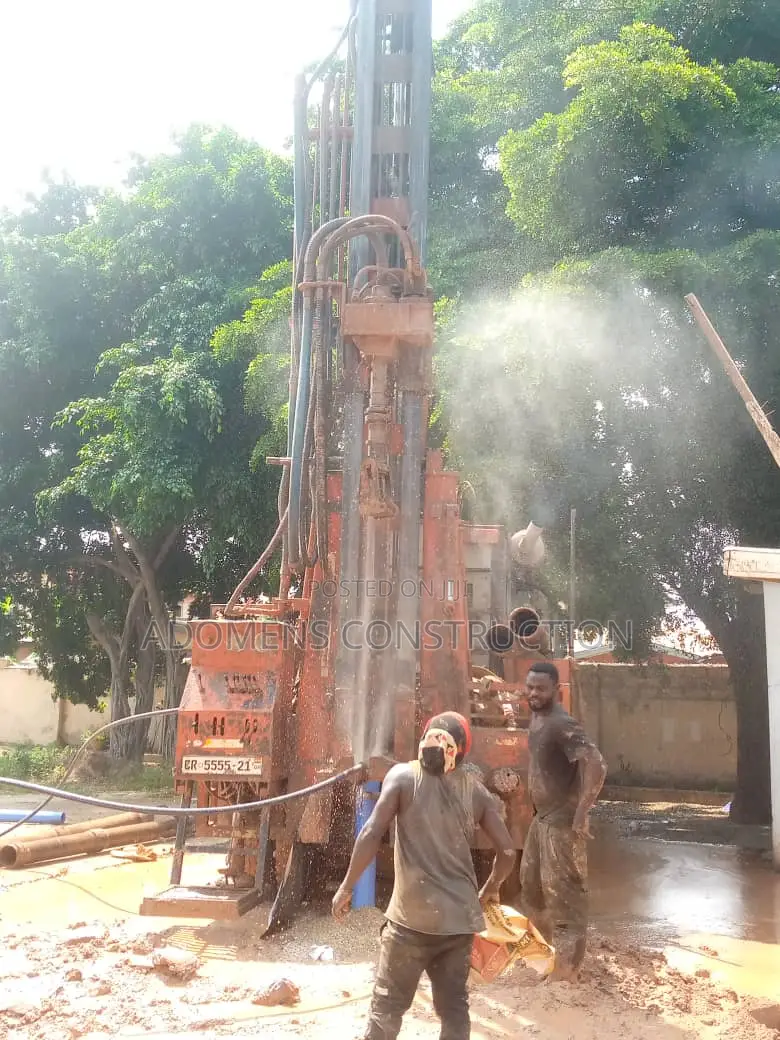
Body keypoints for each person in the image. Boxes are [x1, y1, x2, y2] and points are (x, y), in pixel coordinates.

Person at [332, 710, 516, 1040]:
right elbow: (507, 852)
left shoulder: (402, 777)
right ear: (461, 751)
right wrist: (491, 888)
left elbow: (372, 832)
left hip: (409, 923)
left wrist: (347, 887)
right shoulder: (476, 792)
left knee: (387, 1008)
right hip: (458, 923)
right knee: (454, 1009)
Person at [518, 661, 607, 981]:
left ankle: (568, 971)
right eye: (530, 687)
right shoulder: (538, 716)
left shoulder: (561, 723)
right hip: (541, 818)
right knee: (531, 889)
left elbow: (596, 762)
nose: (533, 693)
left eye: (541, 688)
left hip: (562, 821)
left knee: (565, 896)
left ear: (557, 690)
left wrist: (582, 810)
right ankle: (548, 955)